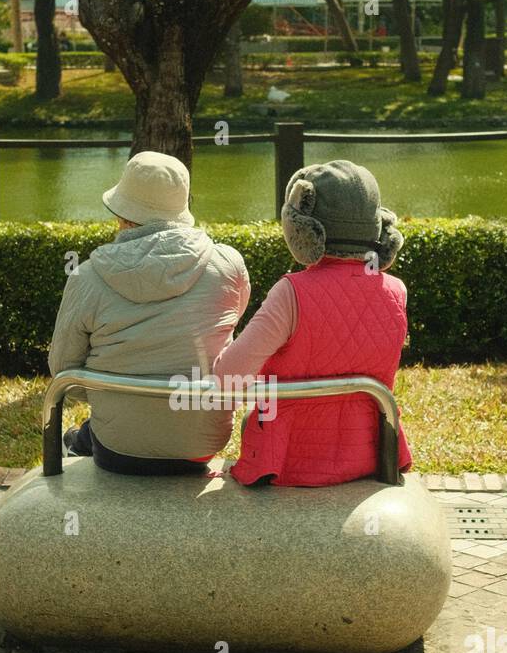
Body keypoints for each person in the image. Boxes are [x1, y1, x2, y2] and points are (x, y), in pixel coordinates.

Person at [48, 150, 250, 476]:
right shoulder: (228, 265)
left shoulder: (87, 276)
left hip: (117, 448)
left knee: (86, 433)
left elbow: (64, 373)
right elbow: (231, 328)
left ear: (124, 215)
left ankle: (79, 440)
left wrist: (111, 399)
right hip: (202, 444)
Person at [213, 159, 412, 487]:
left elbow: (227, 379)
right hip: (370, 457)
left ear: (302, 230)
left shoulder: (291, 293)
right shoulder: (396, 291)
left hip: (285, 463)